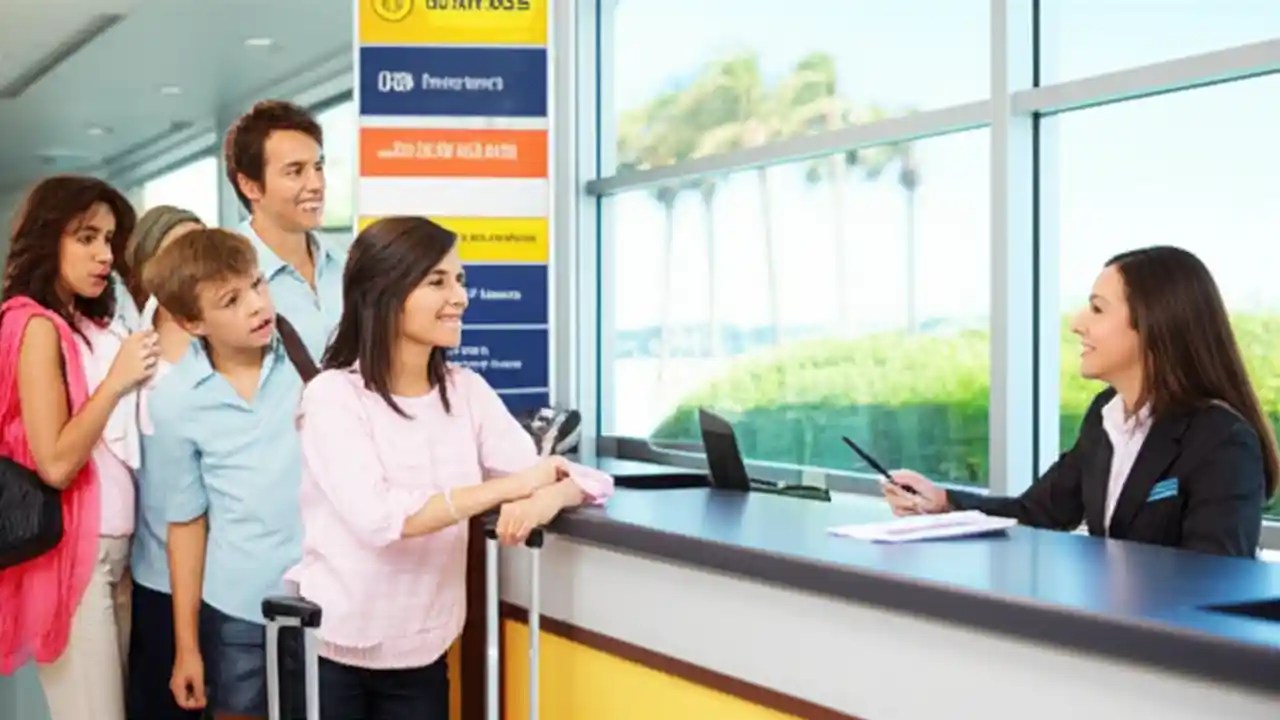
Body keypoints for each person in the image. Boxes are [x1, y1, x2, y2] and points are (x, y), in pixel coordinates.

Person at [286, 216, 615, 719]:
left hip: (423, 649)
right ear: (384, 292)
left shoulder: (465, 391)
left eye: (459, 280)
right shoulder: (333, 395)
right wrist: (506, 488)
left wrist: (547, 496)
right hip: (334, 650)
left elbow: (577, 479)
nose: (459, 297)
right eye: (438, 281)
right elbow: (380, 518)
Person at [885, 246, 1277, 558]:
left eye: (1097, 308)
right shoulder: (1106, 415)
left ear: (1155, 323)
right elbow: (1038, 513)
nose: (1077, 323)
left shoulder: (1221, 440)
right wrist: (943, 503)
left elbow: (1217, 578)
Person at [0, 175, 159, 720]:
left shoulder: (89, 324)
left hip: (118, 554)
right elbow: (57, 462)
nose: (104, 255)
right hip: (76, 559)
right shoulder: (34, 325)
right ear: (50, 239)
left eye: (109, 240)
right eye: (86, 237)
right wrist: (116, 381)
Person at [142, 228, 310, 719]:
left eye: (258, 285)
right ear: (194, 322)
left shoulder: (307, 359)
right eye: (232, 300)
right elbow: (186, 525)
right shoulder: (176, 401)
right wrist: (187, 647)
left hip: (326, 597)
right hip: (237, 609)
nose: (257, 305)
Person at [122, 205, 206, 720]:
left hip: (224, 572)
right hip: (155, 569)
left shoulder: (225, 335)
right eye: (179, 250)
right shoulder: (131, 341)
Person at [223, 99, 344, 359]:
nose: (317, 184)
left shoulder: (347, 266)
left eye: (318, 167)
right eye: (295, 171)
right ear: (250, 186)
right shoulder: (215, 273)